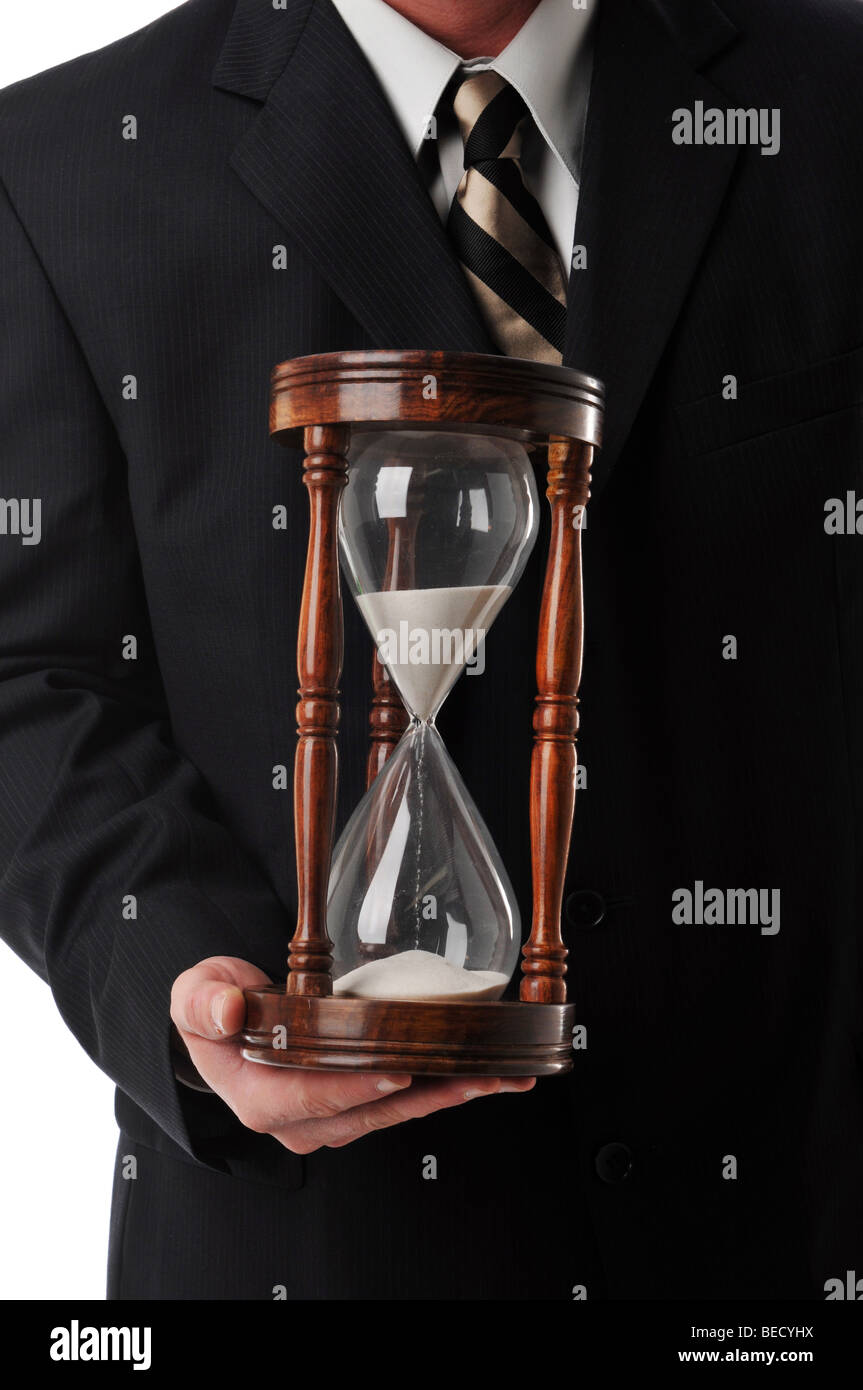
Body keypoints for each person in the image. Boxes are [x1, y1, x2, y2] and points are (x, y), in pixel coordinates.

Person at [1, 0, 861, 1300]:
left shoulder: (832, 93)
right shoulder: (63, 163)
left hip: (792, 1207)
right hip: (327, 1246)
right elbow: (27, 674)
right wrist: (187, 976)